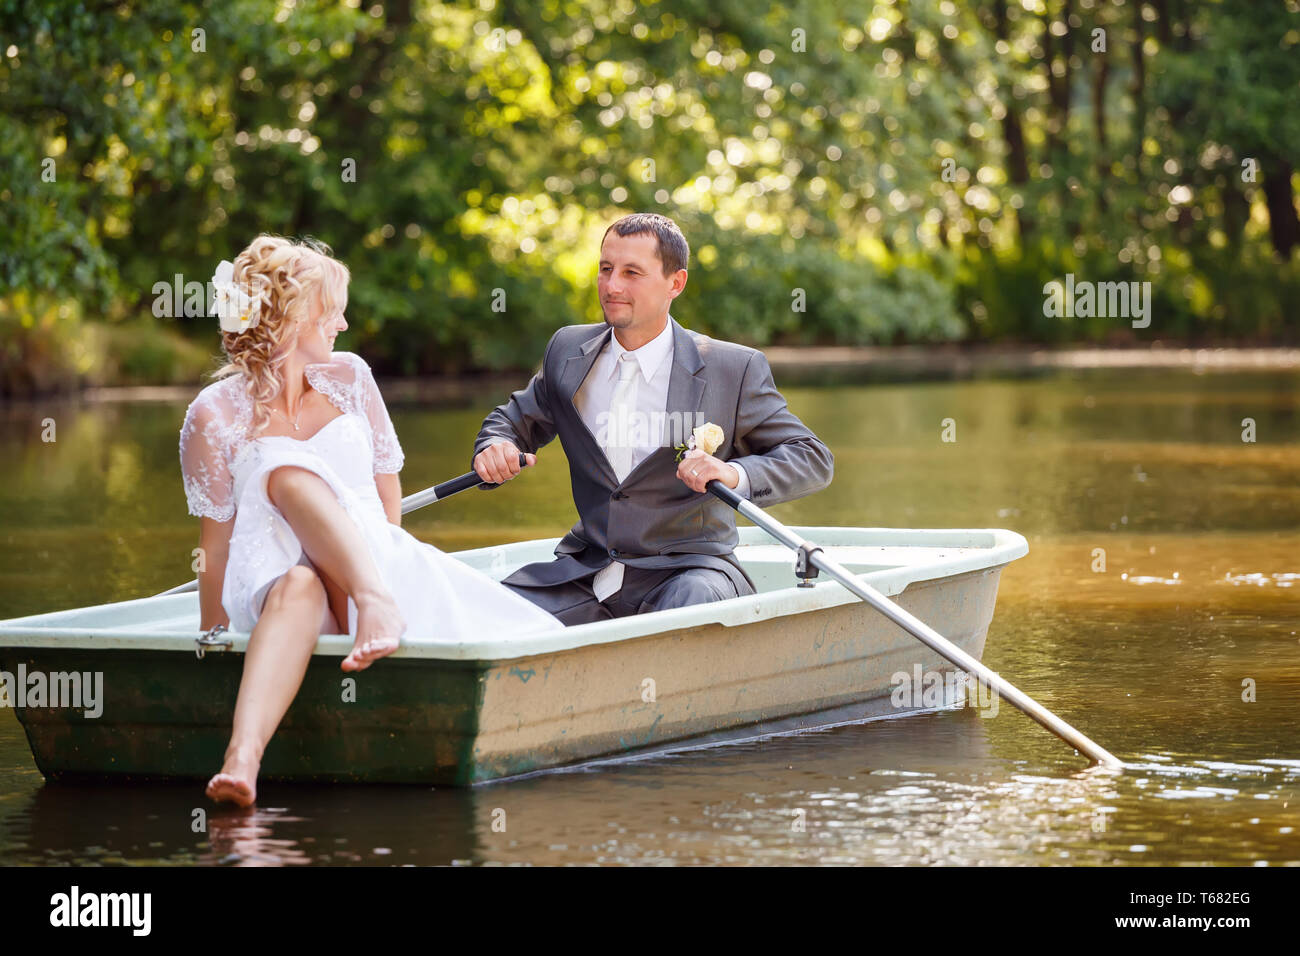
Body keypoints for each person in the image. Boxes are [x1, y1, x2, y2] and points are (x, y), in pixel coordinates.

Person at [179, 235, 562, 807]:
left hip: (371, 563)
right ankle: (242, 761)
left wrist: (383, 561)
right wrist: (213, 637)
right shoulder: (212, 413)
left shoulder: (352, 378)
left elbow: (387, 496)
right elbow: (216, 542)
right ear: (295, 314)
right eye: (331, 308)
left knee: (288, 483)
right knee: (291, 527)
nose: (343, 321)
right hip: (273, 587)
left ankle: (374, 598)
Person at [472, 212, 834, 625]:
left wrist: (732, 473)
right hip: (586, 571)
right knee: (491, 614)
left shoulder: (732, 369)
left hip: (689, 573)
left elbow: (811, 457)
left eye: (632, 273)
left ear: (675, 283)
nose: (612, 286)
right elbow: (513, 422)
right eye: (606, 269)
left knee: (684, 610)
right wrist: (495, 446)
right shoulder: (566, 351)